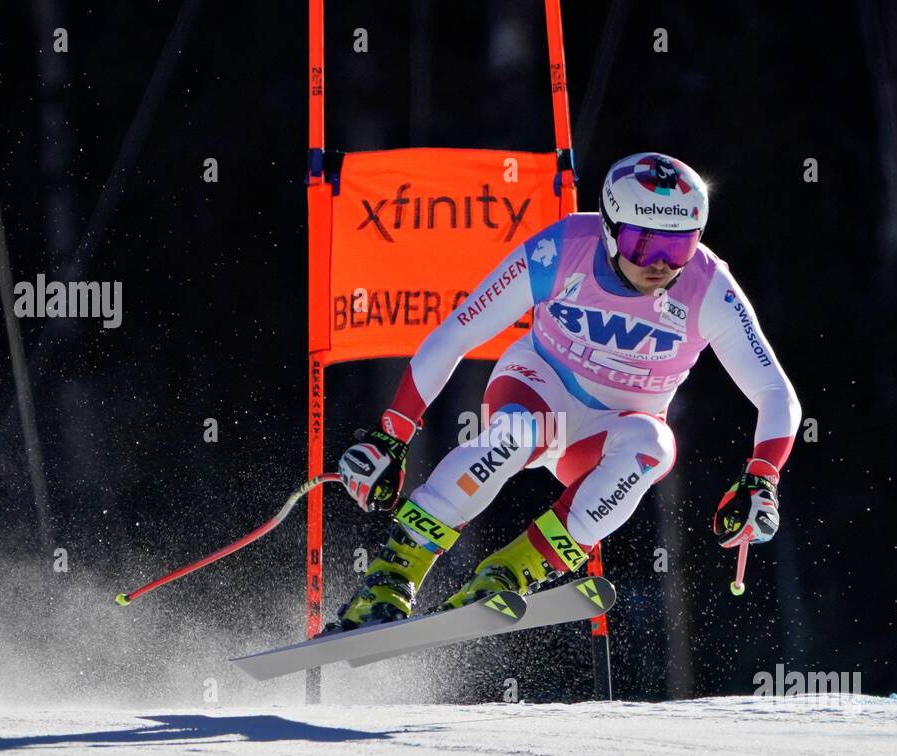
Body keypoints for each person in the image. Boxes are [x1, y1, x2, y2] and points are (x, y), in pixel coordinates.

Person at [332, 152, 801, 629]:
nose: (660, 265)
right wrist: (393, 432)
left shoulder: (708, 285)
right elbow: (457, 334)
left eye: (677, 249)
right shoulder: (562, 249)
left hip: (606, 433)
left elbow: (774, 391)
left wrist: (762, 478)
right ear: (610, 228)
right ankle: (391, 576)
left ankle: (505, 574)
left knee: (654, 448)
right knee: (519, 432)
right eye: (643, 246)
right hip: (541, 387)